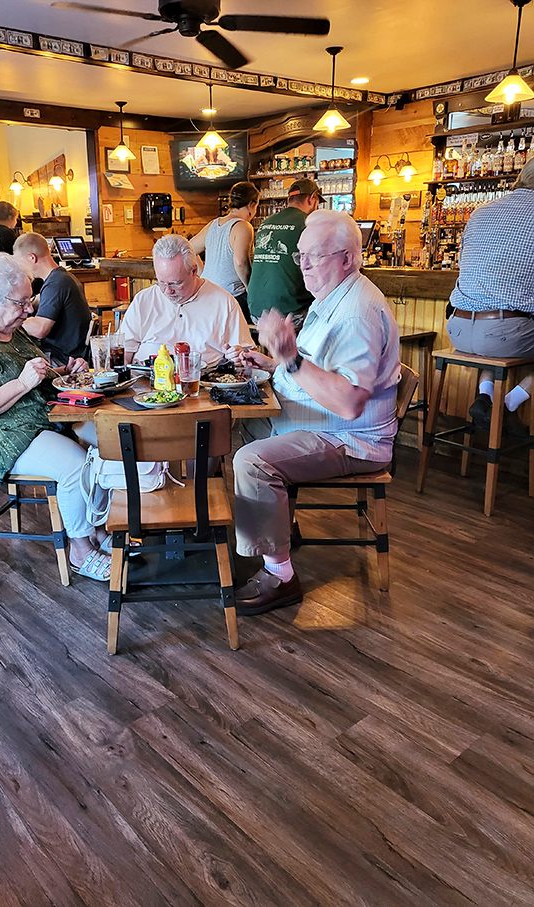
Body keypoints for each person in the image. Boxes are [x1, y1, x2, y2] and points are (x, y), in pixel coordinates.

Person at [232, 210, 401, 616]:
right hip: (318, 418)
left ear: (346, 258)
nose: (304, 265)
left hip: (350, 437)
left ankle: (281, 574)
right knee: (229, 425)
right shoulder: (332, 298)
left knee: (251, 460)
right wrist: (269, 363)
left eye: (315, 256)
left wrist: (288, 358)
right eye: (300, 256)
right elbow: (316, 366)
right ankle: (273, 527)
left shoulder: (358, 312)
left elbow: (348, 401)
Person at [0, 252, 111, 581]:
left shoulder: (8, 325)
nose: (29, 309)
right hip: (1, 438)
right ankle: (80, 548)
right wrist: (22, 384)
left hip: (40, 419)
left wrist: (63, 372)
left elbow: (32, 375)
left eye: (29, 299)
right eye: (21, 303)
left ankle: (98, 528)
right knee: (77, 466)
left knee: (111, 441)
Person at [447, 158, 534, 437]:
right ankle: (509, 404)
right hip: (503, 334)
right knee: (502, 333)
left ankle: (485, 399)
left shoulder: (481, 212)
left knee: (494, 340)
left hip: (458, 329)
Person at [120, 233, 254, 366]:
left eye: (175, 283)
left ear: (194, 271)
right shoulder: (144, 300)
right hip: (143, 382)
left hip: (202, 383)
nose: (168, 290)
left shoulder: (224, 303)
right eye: (161, 282)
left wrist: (238, 356)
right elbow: (124, 351)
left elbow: (247, 355)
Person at [247, 178, 324, 331]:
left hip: (256, 313)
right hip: (289, 316)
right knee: (326, 310)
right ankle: (300, 354)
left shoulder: (265, 223)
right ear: (312, 198)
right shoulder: (308, 224)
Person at [13, 231, 92, 365]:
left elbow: (40, 329)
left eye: (20, 262)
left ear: (31, 258)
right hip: (71, 352)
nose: (21, 269)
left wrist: (13, 321)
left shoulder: (56, 283)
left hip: (62, 359)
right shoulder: (62, 277)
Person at [190, 181, 259, 322]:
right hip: (232, 297)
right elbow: (240, 262)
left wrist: (204, 274)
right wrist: (251, 288)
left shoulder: (213, 224)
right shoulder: (243, 226)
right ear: (251, 204)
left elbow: (189, 247)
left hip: (208, 295)